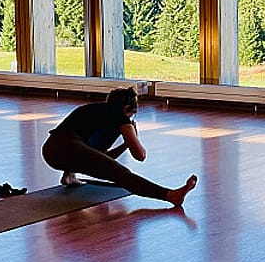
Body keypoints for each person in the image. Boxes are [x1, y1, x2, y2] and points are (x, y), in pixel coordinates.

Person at [42, 86, 197, 206]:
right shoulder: (120, 116)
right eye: (132, 114)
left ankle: (69, 175)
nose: (131, 118)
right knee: (121, 173)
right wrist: (133, 136)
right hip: (69, 149)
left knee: (108, 167)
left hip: (50, 151)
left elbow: (99, 158)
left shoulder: (94, 110)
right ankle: (170, 195)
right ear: (127, 109)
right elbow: (140, 155)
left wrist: (124, 145)